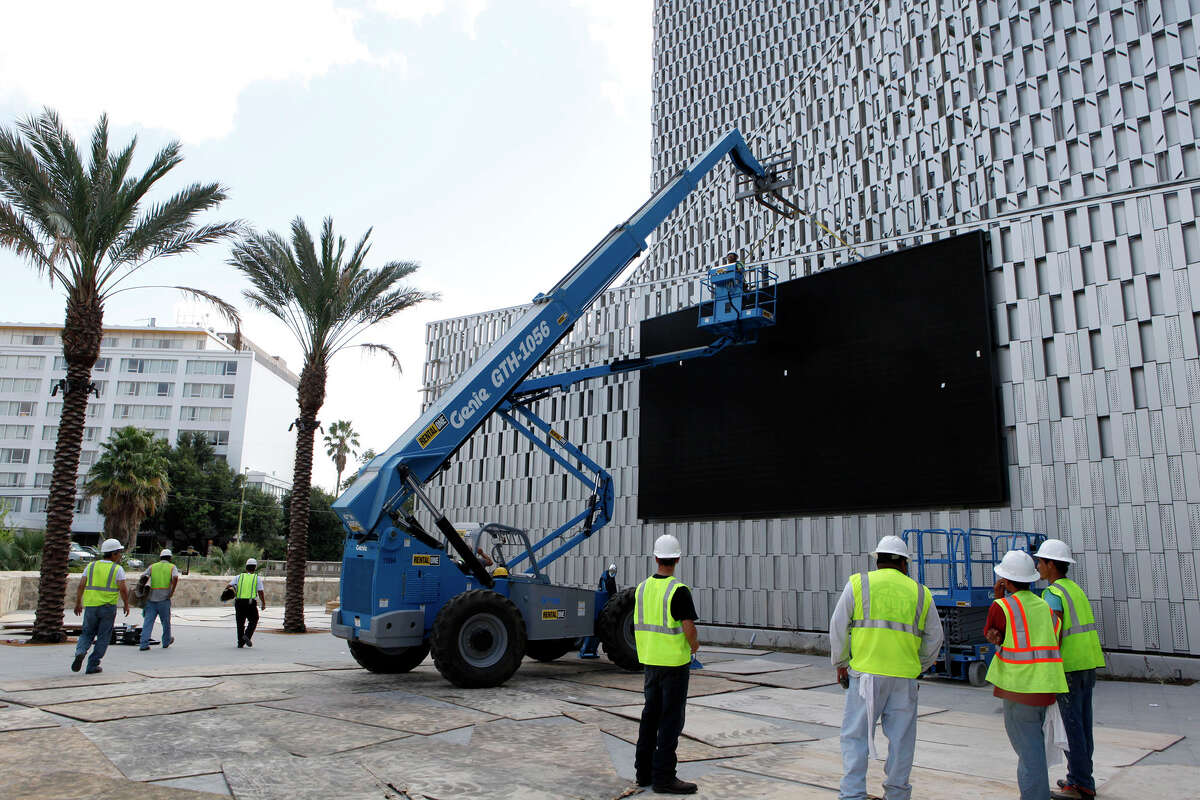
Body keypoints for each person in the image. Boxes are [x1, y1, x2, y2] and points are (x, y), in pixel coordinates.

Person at [829, 535, 944, 800]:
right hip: (904, 677)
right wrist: (920, 665)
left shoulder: (859, 584)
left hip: (865, 676)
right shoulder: (920, 592)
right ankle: (897, 793)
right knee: (902, 741)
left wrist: (841, 662)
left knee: (855, 738)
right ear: (904, 563)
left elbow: (838, 626)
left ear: (877, 561)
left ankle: (853, 794)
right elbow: (935, 637)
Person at [985, 550, 1069, 800]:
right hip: (1046, 687)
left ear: (1006, 581)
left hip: (1017, 688)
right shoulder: (1046, 606)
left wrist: (998, 598)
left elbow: (993, 632)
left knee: (1029, 752)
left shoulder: (1003, 606)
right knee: (1034, 748)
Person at [1034, 540, 1105, 800]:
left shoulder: (1053, 594)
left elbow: (1051, 634)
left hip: (1068, 668)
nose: (1038, 566)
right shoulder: (1074, 589)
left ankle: (1081, 784)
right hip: (1087, 664)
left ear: (1051, 565)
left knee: (1071, 727)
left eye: (1040, 562)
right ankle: (1081, 777)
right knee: (1084, 725)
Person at [633, 534, 699, 795]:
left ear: (656, 557)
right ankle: (664, 778)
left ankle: (644, 772)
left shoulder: (642, 588)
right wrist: (694, 647)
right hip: (674, 665)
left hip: (650, 662)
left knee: (650, 717)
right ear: (678, 558)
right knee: (670, 721)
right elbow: (688, 628)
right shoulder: (678, 590)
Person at [71, 538, 130, 674]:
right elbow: (123, 589)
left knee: (87, 633)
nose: (120, 555)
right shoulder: (117, 569)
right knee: (103, 636)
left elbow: (81, 585)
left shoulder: (90, 566)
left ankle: (80, 652)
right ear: (113, 553)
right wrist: (126, 604)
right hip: (108, 608)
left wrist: (78, 603)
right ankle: (92, 665)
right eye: (119, 553)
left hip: (91, 606)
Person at [139, 548, 179, 651]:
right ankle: (166, 642)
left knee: (148, 622)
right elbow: (175, 577)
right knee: (166, 622)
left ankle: (143, 644)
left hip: (151, 598)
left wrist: (143, 591)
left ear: (160, 557)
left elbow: (143, 576)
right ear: (170, 558)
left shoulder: (153, 566)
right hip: (164, 598)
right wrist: (172, 591)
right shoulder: (172, 567)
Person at [226, 557, 266, 648]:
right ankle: (247, 636)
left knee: (240, 622)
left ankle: (240, 643)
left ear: (246, 567)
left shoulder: (238, 577)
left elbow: (228, 586)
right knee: (254, 619)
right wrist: (263, 603)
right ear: (255, 567)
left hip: (239, 602)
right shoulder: (257, 578)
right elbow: (260, 592)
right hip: (250, 603)